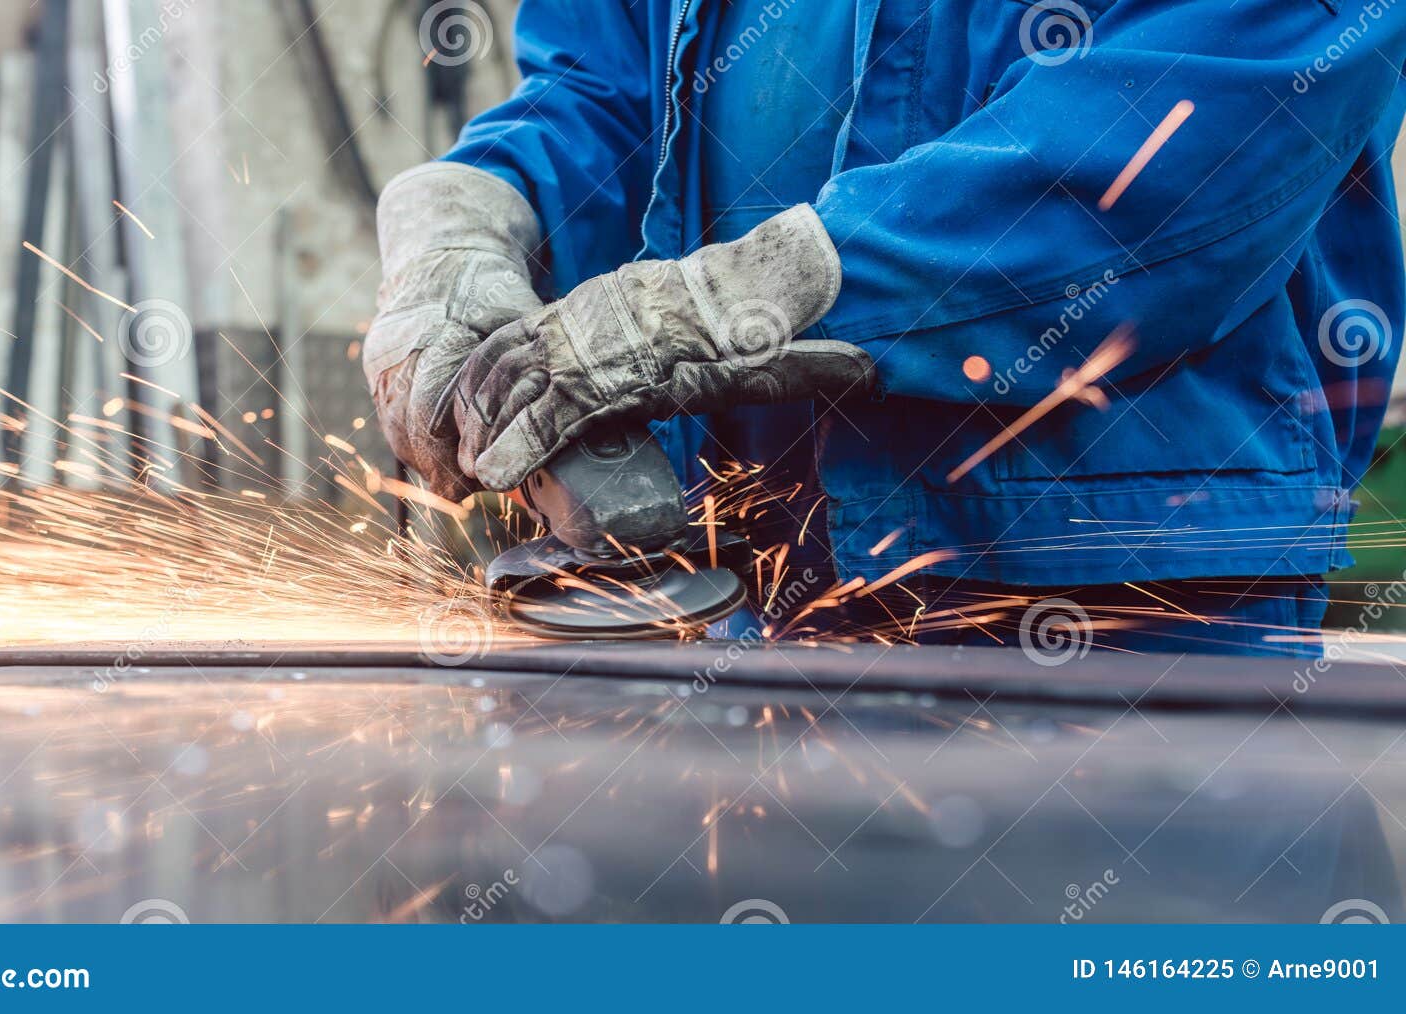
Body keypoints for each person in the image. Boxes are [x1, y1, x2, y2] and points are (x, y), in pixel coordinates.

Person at [365, 0, 1406, 656]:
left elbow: (1184, 134)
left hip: (1103, 607)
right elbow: (601, 95)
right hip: (741, 599)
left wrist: (754, 302)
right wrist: (470, 215)